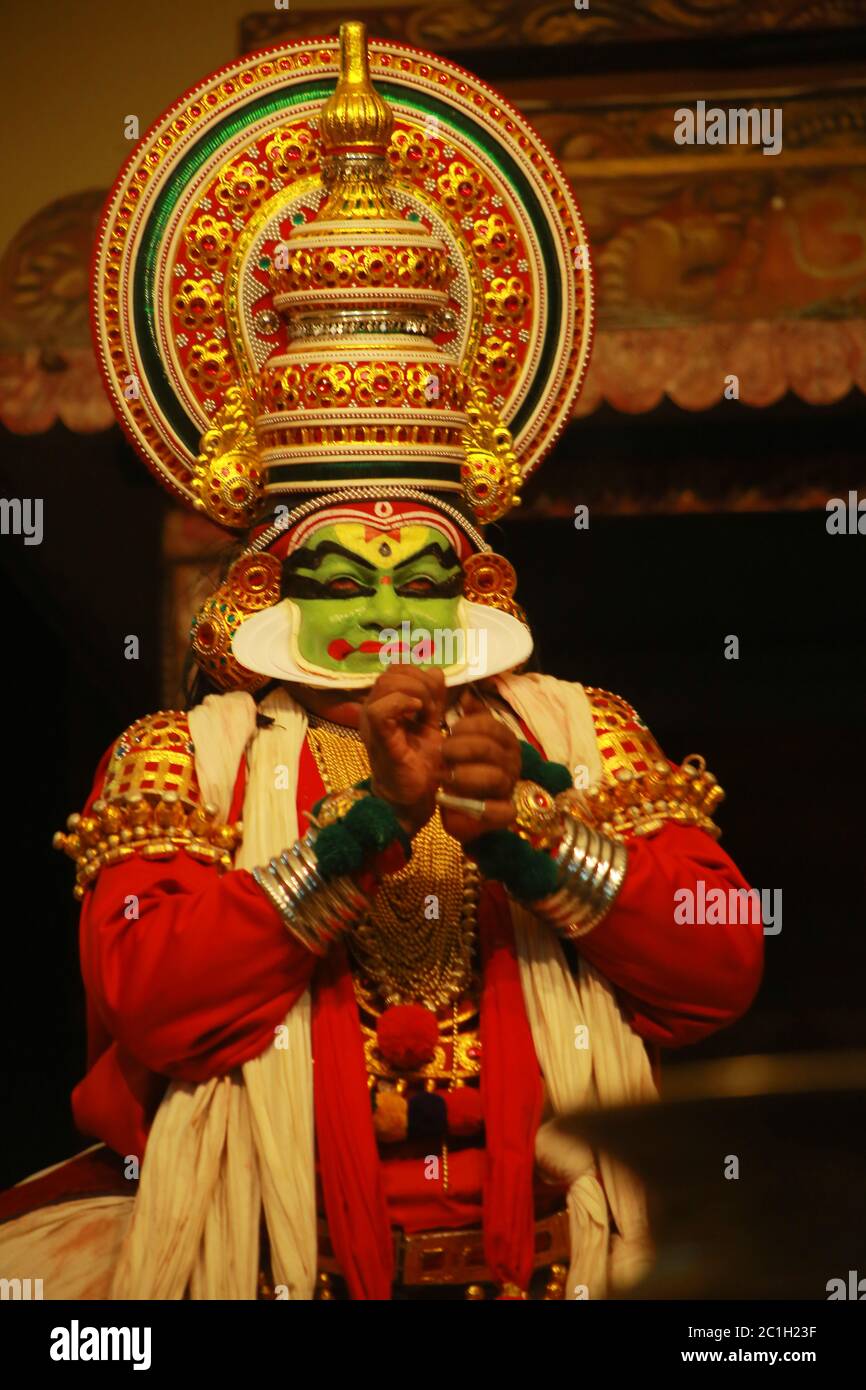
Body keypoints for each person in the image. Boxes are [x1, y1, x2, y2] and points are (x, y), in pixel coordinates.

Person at [0, 22, 762, 1301]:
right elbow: (159, 1002)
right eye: (342, 580)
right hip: (259, 1267)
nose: (390, 615)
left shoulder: (579, 734)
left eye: (422, 576)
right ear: (266, 588)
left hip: (566, 1269)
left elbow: (721, 956)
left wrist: (523, 823)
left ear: (475, 583)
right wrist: (358, 835)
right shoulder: (182, 758)